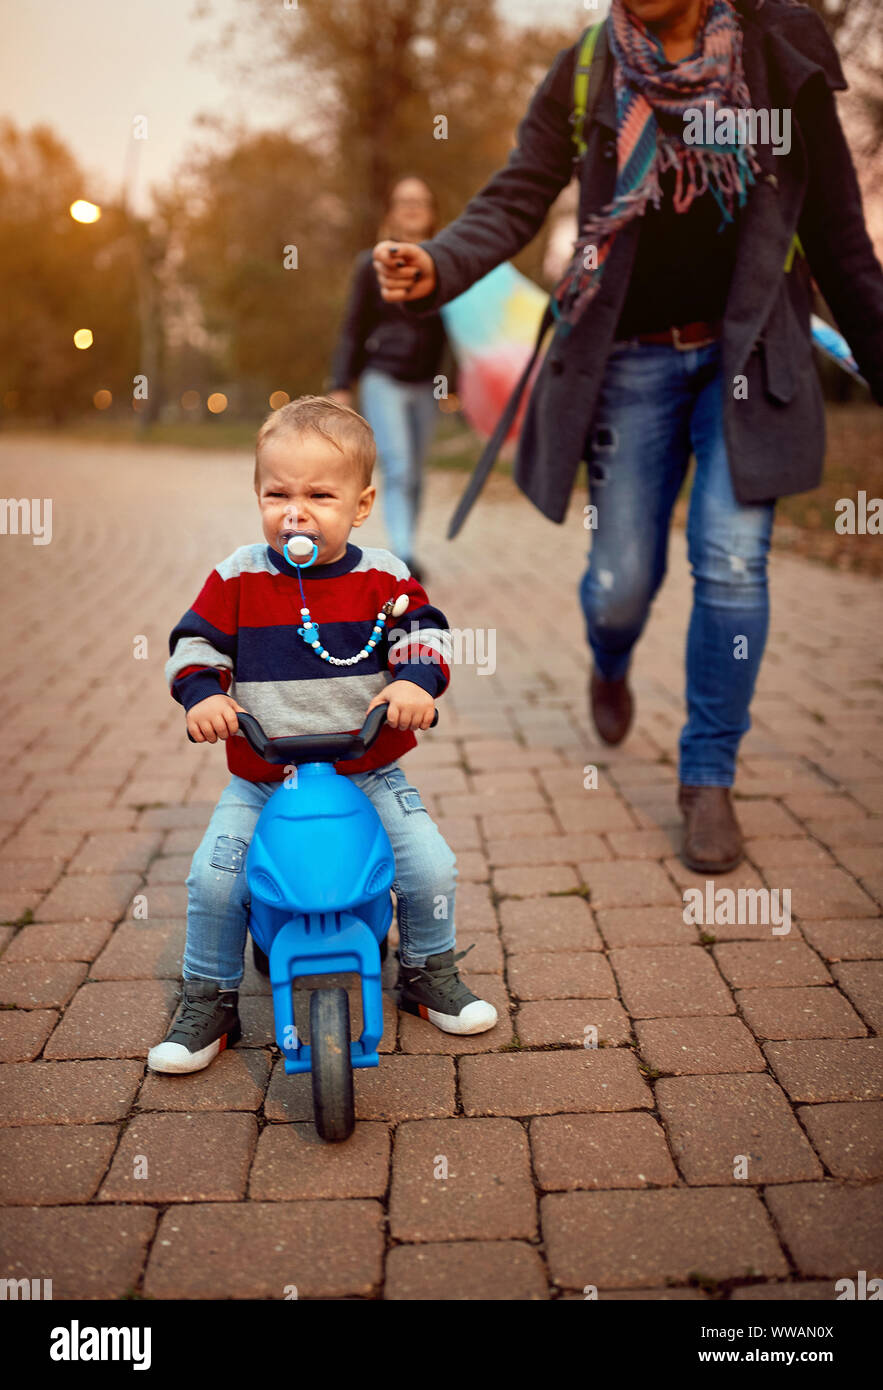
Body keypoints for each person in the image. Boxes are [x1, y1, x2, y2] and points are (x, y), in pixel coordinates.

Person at [370, 0, 883, 874]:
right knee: (618, 584)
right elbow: (517, 195)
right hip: (630, 366)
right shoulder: (589, 69)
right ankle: (609, 656)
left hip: (747, 355)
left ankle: (707, 776)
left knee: (729, 561)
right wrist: (442, 263)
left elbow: (838, 235)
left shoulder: (776, 59)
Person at [148, 396, 496, 1074]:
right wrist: (202, 694)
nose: (294, 511)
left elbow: (423, 631)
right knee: (214, 880)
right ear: (257, 496)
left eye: (318, 494)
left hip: (366, 768)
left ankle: (427, 970)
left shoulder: (383, 576)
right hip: (262, 774)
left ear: (360, 506)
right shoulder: (240, 575)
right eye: (276, 493)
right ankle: (210, 997)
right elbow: (193, 644)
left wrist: (413, 684)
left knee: (429, 865)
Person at [327, 175, 450, 584]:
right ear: (393, 212)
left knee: (416, 470)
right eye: (404, 201)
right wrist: (341, 382)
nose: (413, 207)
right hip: (383, 377)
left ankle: (408, 542)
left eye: (421, 201)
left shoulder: (448, 265)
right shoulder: (371, 265)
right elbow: (353, 326)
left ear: (431, 213)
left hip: (427, 382)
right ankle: (403, 554)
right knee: (397, 464)